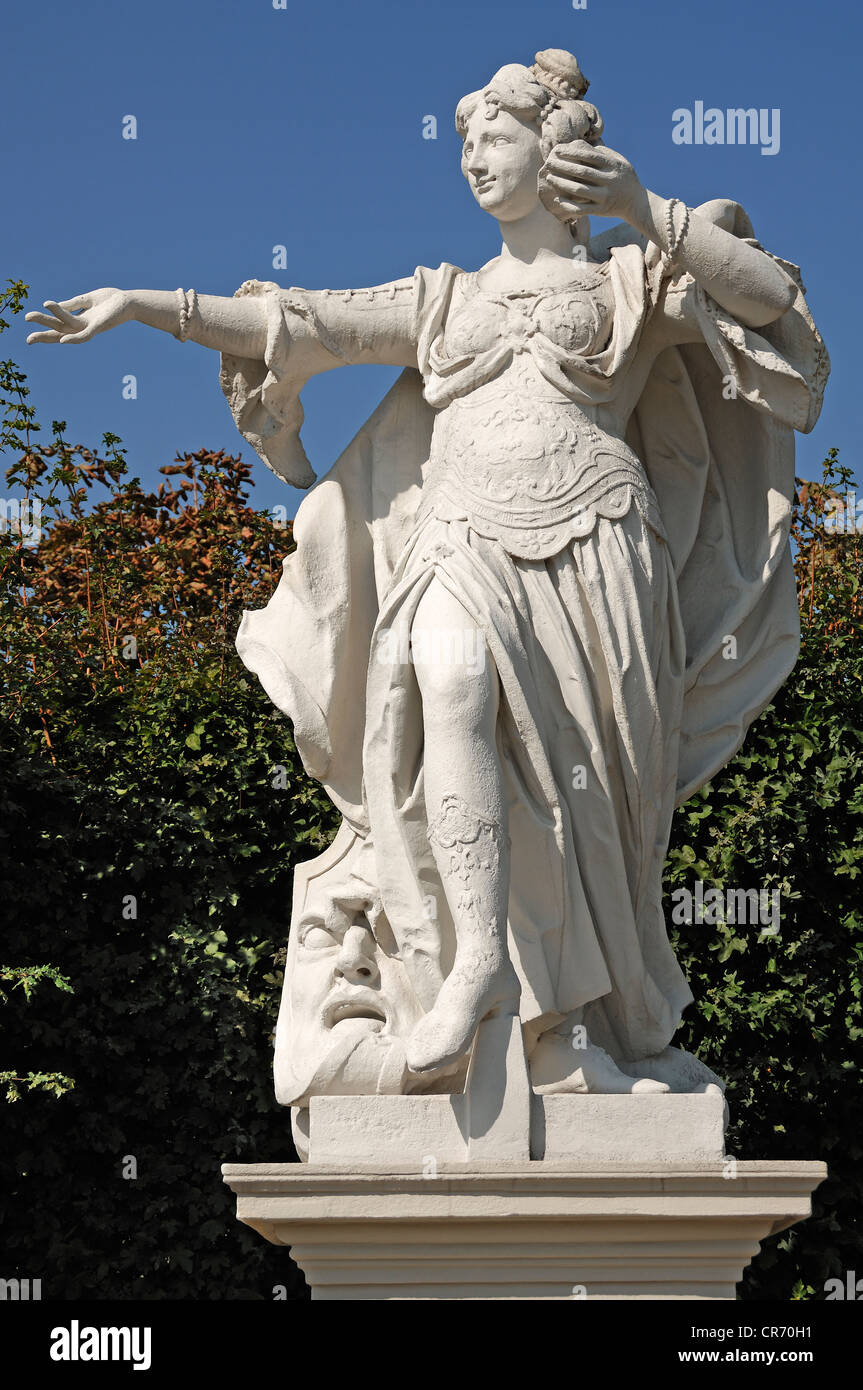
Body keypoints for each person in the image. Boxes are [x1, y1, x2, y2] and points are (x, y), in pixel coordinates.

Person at [27, 49, 828, 1095]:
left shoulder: (634, 278)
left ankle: (580, 1022)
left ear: (557, 149)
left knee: (590, 805)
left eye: (494, 138)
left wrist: (644, 205)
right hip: (459, 537)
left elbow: (773, 311)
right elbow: (294, 321)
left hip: (597, 550)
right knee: (444, 676)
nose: (472, 161)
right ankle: (474, 963)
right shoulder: (440, 298)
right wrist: (143, 303)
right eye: (463, 145)